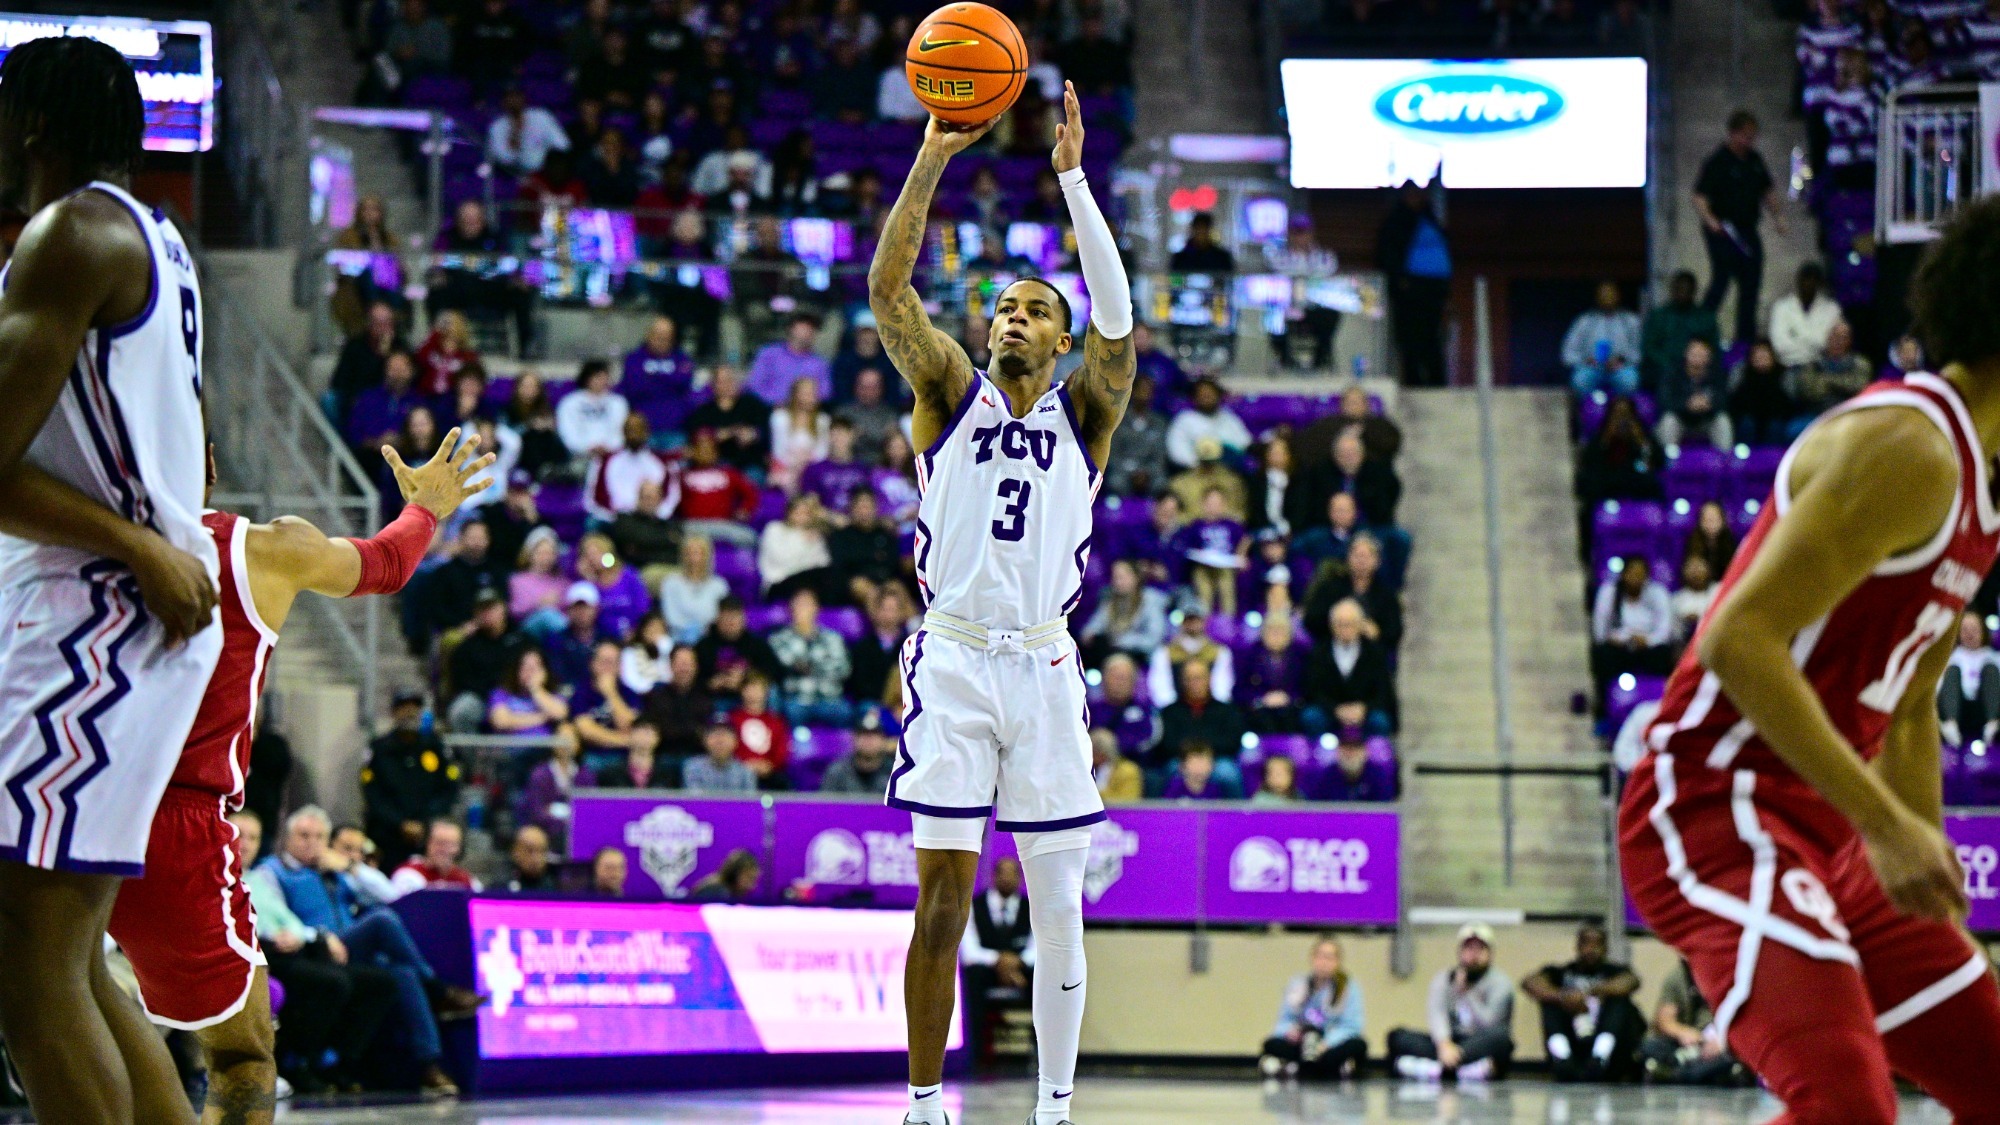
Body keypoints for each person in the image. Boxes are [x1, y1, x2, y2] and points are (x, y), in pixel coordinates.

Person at [1620, 198, 2000, 1125]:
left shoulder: (1982, 490)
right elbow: (1735, 638)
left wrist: (1925, 871)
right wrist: (1887, 826)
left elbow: (1908, 712)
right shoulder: (1912, 444)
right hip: (1716, 803)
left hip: (1829, 831)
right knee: (1846, 1106)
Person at [0, 38, 318, 1120]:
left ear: (35, 123)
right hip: (127, 631)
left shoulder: (72, 233)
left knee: (29, 962)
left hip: (90, 631)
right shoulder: (154, 238)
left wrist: (138, 547)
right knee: (72, 954)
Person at [0, 429, 483, 1121]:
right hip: (179, 825)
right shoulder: (263, 548)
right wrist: (426, 510)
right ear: (212, 467)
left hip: (65, 795)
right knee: (240, 1051)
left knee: (70, 985)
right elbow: (386, 562)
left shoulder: (63, 547)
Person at [869, 86, 1135, 1125]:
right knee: (942, 898)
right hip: (953, 658)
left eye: (1031, 309)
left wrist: (1070, 178)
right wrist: (934, 154)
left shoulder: (1088, 411)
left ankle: (1052, 1109)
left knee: (1059, 905)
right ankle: (925, 1101)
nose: (1008, 317)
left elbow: (1118, 325)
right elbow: (891, 288)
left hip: (1044, 662)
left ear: (1060, 342)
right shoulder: (945, 390)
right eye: (1000, 308)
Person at [258, 808, 480, 1096]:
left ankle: (427, 1064)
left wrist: (350, 868)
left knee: (401, 974)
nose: (312, 843)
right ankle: (437, 990)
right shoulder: (275, 871)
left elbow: (392, 897)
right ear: (286, 839)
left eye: (319, 837)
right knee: (382, 921)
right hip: (313, 949)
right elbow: (277, 919)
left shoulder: (336, 873)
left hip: (348, 950)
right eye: (303, 836)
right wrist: (318, 937)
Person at [233, 811, 396, 1097]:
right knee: (334, 981)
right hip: (266, 954)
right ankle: (299, 1062)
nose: (245, 845)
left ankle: (341, 1063)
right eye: (239, 836)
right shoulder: (272, 871)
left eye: (253, 838)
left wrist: (309, 935)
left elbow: (391, 895)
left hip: (304, 948)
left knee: (385, 980)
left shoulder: (258, 877)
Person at [1694, 110, 1784, 346]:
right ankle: (1700, 334)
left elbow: (1768, 191)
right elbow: (1699, 195)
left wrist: (1778, 217)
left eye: (1752, 136)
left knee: (1751, 284)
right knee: (1721, 280)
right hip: (1723, 230)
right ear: (1733, 133)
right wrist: (1710, 219)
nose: (1748, 141)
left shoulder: (1755, 160)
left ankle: (1745, 339)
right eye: (1744, 135)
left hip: (1747, 229)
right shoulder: (1718, 161)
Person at [1387, 923, 1515, 1082]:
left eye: (1480, 949)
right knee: (1397, 1037)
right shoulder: (1444, 979)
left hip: (1477, 1043)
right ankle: (1463, 1070)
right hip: (1449, 1040)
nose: (1474, 955)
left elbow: (1489, 1023)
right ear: (1460, 952)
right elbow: (1436, 1013)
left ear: (1490, 953)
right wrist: (1444, 1045)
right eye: (1469, 949)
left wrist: (1467, 992)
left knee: (1501, 1038)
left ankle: (1436, 1070)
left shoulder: (1501, 983)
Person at [1522, 922, 1644, 1082]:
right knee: (1549, 1001)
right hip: (1572, 1042)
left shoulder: (1615, 972)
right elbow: (1530, 982)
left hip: (1606, 1048)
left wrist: (1589, 994)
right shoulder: (1561, 972)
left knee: (1620, 1002)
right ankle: (1562, 1057)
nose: (1591, 949)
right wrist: (1563, 997)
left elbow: (1631, 981)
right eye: (1586, 943)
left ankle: (1600, 1056)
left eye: (1597, 944)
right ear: (1578, 946)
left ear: (1606, 948)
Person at [362, 690, 461, 869]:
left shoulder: (436, 747)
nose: (409, 712)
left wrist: (424, 822)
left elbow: (449, 788)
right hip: (388, 837)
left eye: (414, 708)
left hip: (428, 836)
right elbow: (373, 794)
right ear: (394, 712)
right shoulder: (379, 749)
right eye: (403, 707)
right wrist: (400, 823)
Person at [1259, 936, 1367, 1080]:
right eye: (1320, 956)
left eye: (1329, 958)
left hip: (1330, 1042)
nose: (1323, 963)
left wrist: (1326, 1043)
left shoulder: (1348, 988)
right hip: (1302, 1041)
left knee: (1358, 1045)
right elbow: (1283, 1021)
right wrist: (1291, 1032)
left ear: (1337, 962)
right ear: (1312, 958)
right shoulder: (1298, 984)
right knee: (1271, 1044)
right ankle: (1321, 1066)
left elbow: (1352, 1026)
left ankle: (1301, 1066)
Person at [1377, 179, 1452, 387]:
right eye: (1412, 195)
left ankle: (1437, 383)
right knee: (1410, 340)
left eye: (1420, 195)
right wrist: (1402, 283)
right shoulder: (1396, 222)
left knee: (1432, 339)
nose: (1416, 199)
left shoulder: (1430, 220)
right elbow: (1388, 256)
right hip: (1409, 293)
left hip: (1433, 292)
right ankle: (1414, 382)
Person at [959, 857, 1035, 1058]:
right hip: (987, 969)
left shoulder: (1032, 908)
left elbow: (1038, 948)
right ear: (994, 876)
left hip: (1022, 970)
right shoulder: (975, 906)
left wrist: (1017, 963)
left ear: (1020, 878)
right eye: (1003, 873)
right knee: (972, 975)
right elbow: (969, 951)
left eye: (1013, 874)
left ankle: (1042, 1053)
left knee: (1043, 977)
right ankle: (974, 1052)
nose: (1008, 879)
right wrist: (1000, 960)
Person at [1639, 958, 1746, 1086]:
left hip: (1720, 1043)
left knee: (1734, 1056)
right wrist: (1683, 1032)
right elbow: (1665, 1020)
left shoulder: (1732, 975)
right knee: (1651, 1045)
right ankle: (1692, 1071)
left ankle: (1676, 1075)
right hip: (1689, 1044)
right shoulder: (1678, 976)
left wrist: (1722, 1041)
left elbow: (1746, 1020)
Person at [1590, 557, 1676, 704]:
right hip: (1619, 647)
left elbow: (1665, 629)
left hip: (1648, 647)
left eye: (1640, 574)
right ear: (1623, 575)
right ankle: (1604, 706)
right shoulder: (1609, 592)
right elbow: (1599, 630)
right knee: (1601, 654)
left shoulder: (1658, 593)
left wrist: (1648, 641)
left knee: (1664, 654)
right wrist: (1614, 639)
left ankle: (1660, 700)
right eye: (1632, 573)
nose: (1636, 578)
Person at [1305, 600, 1394, 737]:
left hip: (1365, 711)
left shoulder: (1375, 652)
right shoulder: (1319, 652)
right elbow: (1313, 689)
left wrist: (1363, 708)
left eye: (1350, 624)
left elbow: (1383, 691)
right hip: (1330, 710)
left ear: (1360, 625)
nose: (1345, 629)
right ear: (1332, 626)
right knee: (1312, 717)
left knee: (1380, 721)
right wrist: (1336, 709)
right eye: (1340, 624)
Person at [769, 586, 852, 726]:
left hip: (829, 698)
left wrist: (805, 666)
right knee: (790, 711)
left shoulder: (833, 638)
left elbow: (843, 669)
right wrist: (822, 665)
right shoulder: (778, 639)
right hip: (796, 698)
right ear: (790, 608)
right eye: (798, 604)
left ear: (816, 608)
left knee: (844, 711)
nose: (803, 609)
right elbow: (783, 665)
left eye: (807, 604)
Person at [516, 724, 595, 852]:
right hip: (545, 836)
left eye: (570, 738)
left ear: (579, 745)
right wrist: (568, 817)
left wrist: (554, 810)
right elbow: (537, 813)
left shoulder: (585, 776)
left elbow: (588, 812)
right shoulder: (540, 775)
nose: (565, 743)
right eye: (561, 738)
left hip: (577, 837)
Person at [1639, 270, 1722, 393]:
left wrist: (1696, 362)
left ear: (1694, 291)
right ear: (1672, 290)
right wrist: (1669, 364)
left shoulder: (1705, 317)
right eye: (1679, 289)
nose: (1683, 293)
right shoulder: (1658, 315)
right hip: (1663, 366)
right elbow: (1649, 346)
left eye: (1687, 289)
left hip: (1697, 366)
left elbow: (1713, 347)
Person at [1078, 559, 1171, 667]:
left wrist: (1124, 641)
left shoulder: (1151, 600)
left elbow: (1154, 638)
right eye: (1115, 577)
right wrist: (1090, 633)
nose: (1117, 582)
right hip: (1111, 652)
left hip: (1139, 656)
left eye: (1122, 577)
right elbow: (1095, 624)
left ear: (1136, 577)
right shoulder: (1110, 598)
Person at [1789, 319, 1874, 424]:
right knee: (1794, 429)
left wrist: (1827, 381)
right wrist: (1841, 385)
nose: (1838, 341)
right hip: (1816, 414)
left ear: (1850, 341)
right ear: (1828, 337)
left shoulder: (1860, 363)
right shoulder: (1813, 362)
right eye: (1835, 336)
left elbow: (1858, 386)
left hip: (1849, 413)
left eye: (1843, 337)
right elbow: (1809, 391)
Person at [1564, 281, 1642, 395]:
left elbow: (1639, 350)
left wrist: (1621, 360)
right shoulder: (1584, 321)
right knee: (1580, 380)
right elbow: (1568, 352)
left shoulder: (1630, 320)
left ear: (1618, 296)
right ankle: (1589, 411)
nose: (1607, 298)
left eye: (1611, 294)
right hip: (1591, 368)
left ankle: (1620, 411)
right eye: (1603, 294)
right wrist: (1586, 360)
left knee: (1631, 381)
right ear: (1597, 298)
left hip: (1620, 368)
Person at [1657, 338, 1735, 449]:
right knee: (1669, 420)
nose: (1697, 358)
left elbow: (1725, 400)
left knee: (1723, 420)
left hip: (1707, 419)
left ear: (1709, 357)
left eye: (1701, 354)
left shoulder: (1717, 374)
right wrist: (1687, 404)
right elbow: (1665, 400)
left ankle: (1725, 461)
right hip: (1681, 418)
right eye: (1694, 354)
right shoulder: (1673, 374)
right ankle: (1667, 460)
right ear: (1686, 354)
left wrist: (1709, 404)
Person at [1164, 377, 1253, 469]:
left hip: (1230, 471)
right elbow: (1177, 452)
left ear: (1218, 396)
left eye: (1210, 394)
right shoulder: (1185, 419)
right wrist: (1198, 465)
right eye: (1203, 394)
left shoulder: (1228, 417)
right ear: (1194, 398)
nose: (1207, 397)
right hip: (1196, 471)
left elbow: (1245, 443)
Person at [1941, 611, 2000, 747]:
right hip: (1958, 710)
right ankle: (1950, 725)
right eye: (1965, 630)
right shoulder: (1950, 659)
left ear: (1983, 631)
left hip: (1986, 711)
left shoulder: (1994, 658)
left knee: (1990, 669)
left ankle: (1993, 724)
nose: (1970, 634)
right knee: (1953, 669)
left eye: (1974, 629)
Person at [747, 312, 833, 405]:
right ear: (791, 329)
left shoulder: (819, 364)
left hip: (802, 412)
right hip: (767, 409)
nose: (807, 333)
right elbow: (755, 385)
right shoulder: (769, 354)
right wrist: (776, 403)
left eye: (811, 329)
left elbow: (825, 393)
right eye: (803, 328)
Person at [1769, 261, 1842, 369]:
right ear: (1798, 281)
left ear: (1819, 283)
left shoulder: (1832, 309)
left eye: (1813, 280)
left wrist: (1796, 335)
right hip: (1787, 366)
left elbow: (1825, 343)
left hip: (1819, 367)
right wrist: (1811, 343)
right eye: (1806, 279)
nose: (1808, 284)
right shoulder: (1781, 307)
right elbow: (1780, 345)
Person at [555, 360, 630, 460]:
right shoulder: (570, 403)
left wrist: (609, 447)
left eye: (605, 377)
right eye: (598, 377)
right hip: (579, 456)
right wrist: (587, 447)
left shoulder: (618, 402)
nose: (603, 381)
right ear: (587, 379)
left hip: (612, 456)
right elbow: (567, 430)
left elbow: (621, 429)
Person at [820, 705, 899, 796]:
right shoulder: (837, 772)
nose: (869, 741)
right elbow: (826, 806)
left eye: (874, 736)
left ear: (883, 740)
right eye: (864, 735)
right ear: (854, 739)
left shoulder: (895, 773)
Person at [389, 818, 481, 894]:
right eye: (439, 843)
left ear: (459, 847)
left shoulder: (468, 881)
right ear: (428, 843)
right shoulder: (408, 874)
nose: (444, 850)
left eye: (451, 844)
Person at [1729, 339, 1794, 446]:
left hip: (1775, 416)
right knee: (1747, 424)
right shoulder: (1742, 372)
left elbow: (1788, 404)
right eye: (1757, 355)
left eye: (1765, 354)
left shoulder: (1783, 374)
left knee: (1775, 426)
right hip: (1748, 416)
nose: (1761, 358)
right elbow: (1734, 401)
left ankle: (1774, 459)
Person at [1320, 732, 1397, 802]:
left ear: (1365, 751)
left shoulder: (1378, 775)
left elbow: (1386, 807)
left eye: (1355, 748)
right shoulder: (1327, 775)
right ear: (1338, 751)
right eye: (1346, 748)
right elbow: (1315, 808)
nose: (1350, 753)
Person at [682, 723, 757, 793]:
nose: (720, 741)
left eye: (725, 735)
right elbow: (695, 801)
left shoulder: (745, 771)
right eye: (714, 735)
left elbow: (748, 803)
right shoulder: (693, 767)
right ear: (704, 740)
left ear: (736, 741)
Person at [1169, 211, 1235, 273]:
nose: (1201, 234)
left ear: (1209, 231)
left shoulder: (1222, 258)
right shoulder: (1180, 258)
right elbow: (1175, 281)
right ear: (1193, 230)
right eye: (1198, 229)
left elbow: (1227, 280)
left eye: (1204, 230)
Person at [1671, 555, 1717, 644]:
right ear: (1683, 572)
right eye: (1691, 568)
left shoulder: (1719, 590)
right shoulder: (1677, 599)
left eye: (1699, 567)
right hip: (1688, 643)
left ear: (1709, 570)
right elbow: (1675, 632)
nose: (1696, 572)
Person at [688, 849, 761, 902]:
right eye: (749, 878)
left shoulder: (726, 891)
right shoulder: (717, 892)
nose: (752, 886)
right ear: (735, 873)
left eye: (754, 880)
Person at [502, 825, 556, 892]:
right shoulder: (500, 887)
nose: (536, 858)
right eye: (530, 851)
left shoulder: (555, 888)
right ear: (515, 851)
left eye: (542, 851)